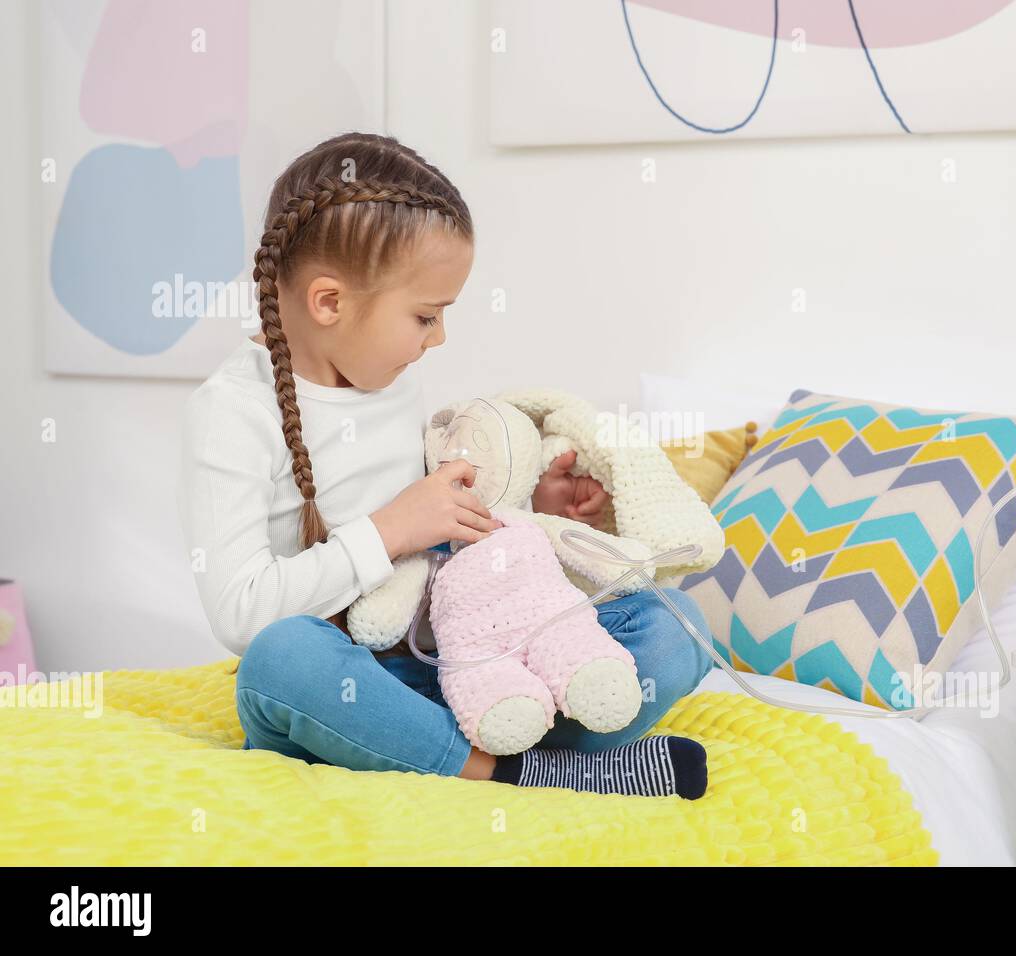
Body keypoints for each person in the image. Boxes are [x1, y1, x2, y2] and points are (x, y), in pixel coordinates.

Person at [178, 132, 712, 799]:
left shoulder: (387, 376)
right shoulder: (233, 412)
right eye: (426, 316)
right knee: (279, 662)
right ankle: (525, 771)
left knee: (673, 627)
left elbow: (441, 531)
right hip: (354, 685)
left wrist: (530, 504)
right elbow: (239, 613)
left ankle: (460, 744)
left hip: (457, 667)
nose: (439, 338)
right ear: (329, 303)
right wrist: (389, 530)